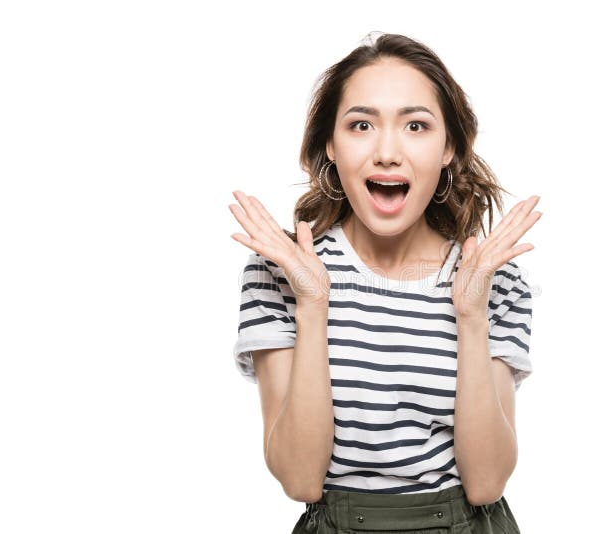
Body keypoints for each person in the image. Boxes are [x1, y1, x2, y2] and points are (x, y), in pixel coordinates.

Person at [228, 32, 542, 533]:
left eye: (416, 125)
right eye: (361, 125)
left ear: (449, 149)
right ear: (330, 144)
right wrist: (312, 306)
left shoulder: (494, 278)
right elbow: (300, 479)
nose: (387, 153)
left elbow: (486, 483)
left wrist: (471, 316)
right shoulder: (280, 272)